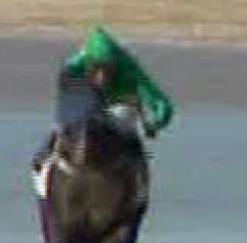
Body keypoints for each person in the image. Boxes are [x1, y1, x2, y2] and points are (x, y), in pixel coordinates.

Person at [31, 27, 174, 186]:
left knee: (126, 130)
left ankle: (138, 180)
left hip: (119, 103)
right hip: (90, 100)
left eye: (107, 70)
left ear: (115, 65)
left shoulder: (129, 67)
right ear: (88, 63)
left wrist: (154, 124)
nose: (101, 77)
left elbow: (161, 103)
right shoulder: (75, 65)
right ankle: (41, 166)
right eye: (96, 69)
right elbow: (65, 93)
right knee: (64, 126)